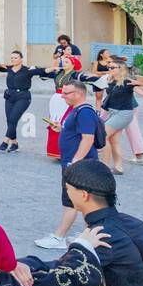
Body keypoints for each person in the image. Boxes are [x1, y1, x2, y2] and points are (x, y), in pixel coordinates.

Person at [36, 80, 102, 250]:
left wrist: (76, 161)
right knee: (82, 201)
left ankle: (59, 237)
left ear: (79, 94)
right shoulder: (75, 110)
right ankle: (87, 234)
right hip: (75, 162)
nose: (63, 96)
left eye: (67, 93)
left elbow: (88, 138)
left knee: (71, 201)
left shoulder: (84, 112)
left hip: (79, 164)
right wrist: (61, 128)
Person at [0, 50, 47, 153]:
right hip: (10, 97)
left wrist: (53, 68)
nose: (13, 59)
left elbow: (42, 71)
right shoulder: (8, 69)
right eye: (12, 58)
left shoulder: (28, 70)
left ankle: (5, 141)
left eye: (16, 58)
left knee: (13, 119)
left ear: (21, 59)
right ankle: (15, 143)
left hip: (23, 97)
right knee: (10, 120)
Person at [98, 59, 139, 175]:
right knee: (113, 140)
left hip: (124, 113)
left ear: (120, 69)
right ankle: (119, 167)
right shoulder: (110, 81)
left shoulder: (127, 82)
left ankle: (104, 167)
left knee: (103, 135)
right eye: (109, 67)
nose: (109, 69)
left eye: (112, 68)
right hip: (113, 112)